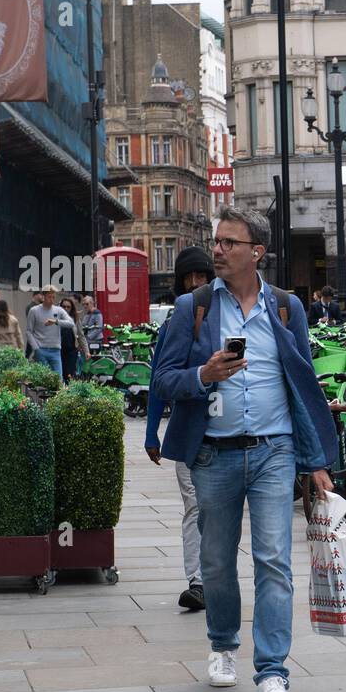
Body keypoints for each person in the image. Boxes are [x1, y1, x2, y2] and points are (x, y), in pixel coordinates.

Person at [150, 205, 339, 692]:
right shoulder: (193, 308)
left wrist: (316, 459)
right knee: (216, 561)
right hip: (213, 454)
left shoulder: (285, 308)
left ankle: (274, 672)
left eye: (230, 243)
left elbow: (303, 385)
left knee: (274, 560)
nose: (218, 249)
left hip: (274, 451)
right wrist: (202, 376)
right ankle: (223, 644)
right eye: (216, 241)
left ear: (257, 252)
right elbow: (162, 379)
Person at [146, 244, 214, 613]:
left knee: (216, 509)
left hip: (224, 431)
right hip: (187, 430)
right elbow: (159, 378)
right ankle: (198, 581)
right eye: (188, 277)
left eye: (201, 276)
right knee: (194, 505)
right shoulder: (174, 322)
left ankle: (215, 574)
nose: (194, 283)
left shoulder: (223, 316)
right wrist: (150, 432)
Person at [26, 286, 74, 376]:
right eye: (49, 297)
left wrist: (56, 321)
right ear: (43, 296)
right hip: (41, 349)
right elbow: (29, 332)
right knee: (44, 379)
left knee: (58, 379)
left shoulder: (59, 310)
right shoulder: (34, 311)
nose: (52, 299)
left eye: (53, 297)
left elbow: (71, 323)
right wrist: (36, 348)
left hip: (55, 350)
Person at [59, 295, 84, 380]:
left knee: (70, 373)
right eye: (64, 306)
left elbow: (81, 335)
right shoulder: (56, 318)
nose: (66, 308)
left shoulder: (75, 318)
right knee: (60, 372)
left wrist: (87, 351)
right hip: (59, 349)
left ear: (71, 308)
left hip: (71, 350)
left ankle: (68, 390)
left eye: (68, 307)